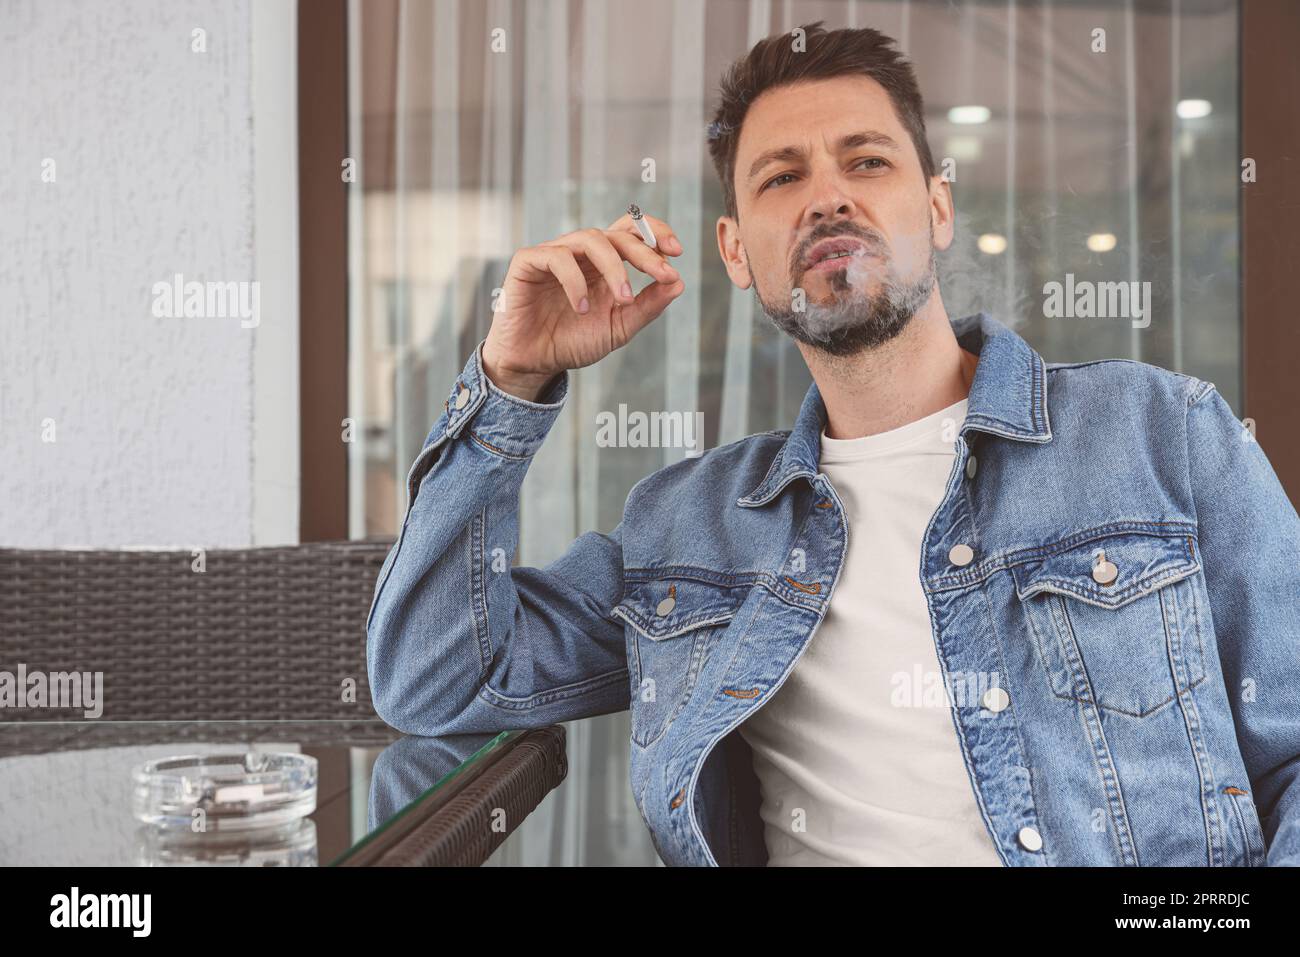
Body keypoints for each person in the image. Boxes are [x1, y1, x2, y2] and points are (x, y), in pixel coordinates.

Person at [366, 21, 1299, 867]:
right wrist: (511, 378)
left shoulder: (1161, 434)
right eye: (782, 177)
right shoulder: (689, 529)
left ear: (936, 208)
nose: (828, 199)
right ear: (735, 251)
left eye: (867, 162)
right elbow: (439, 680)